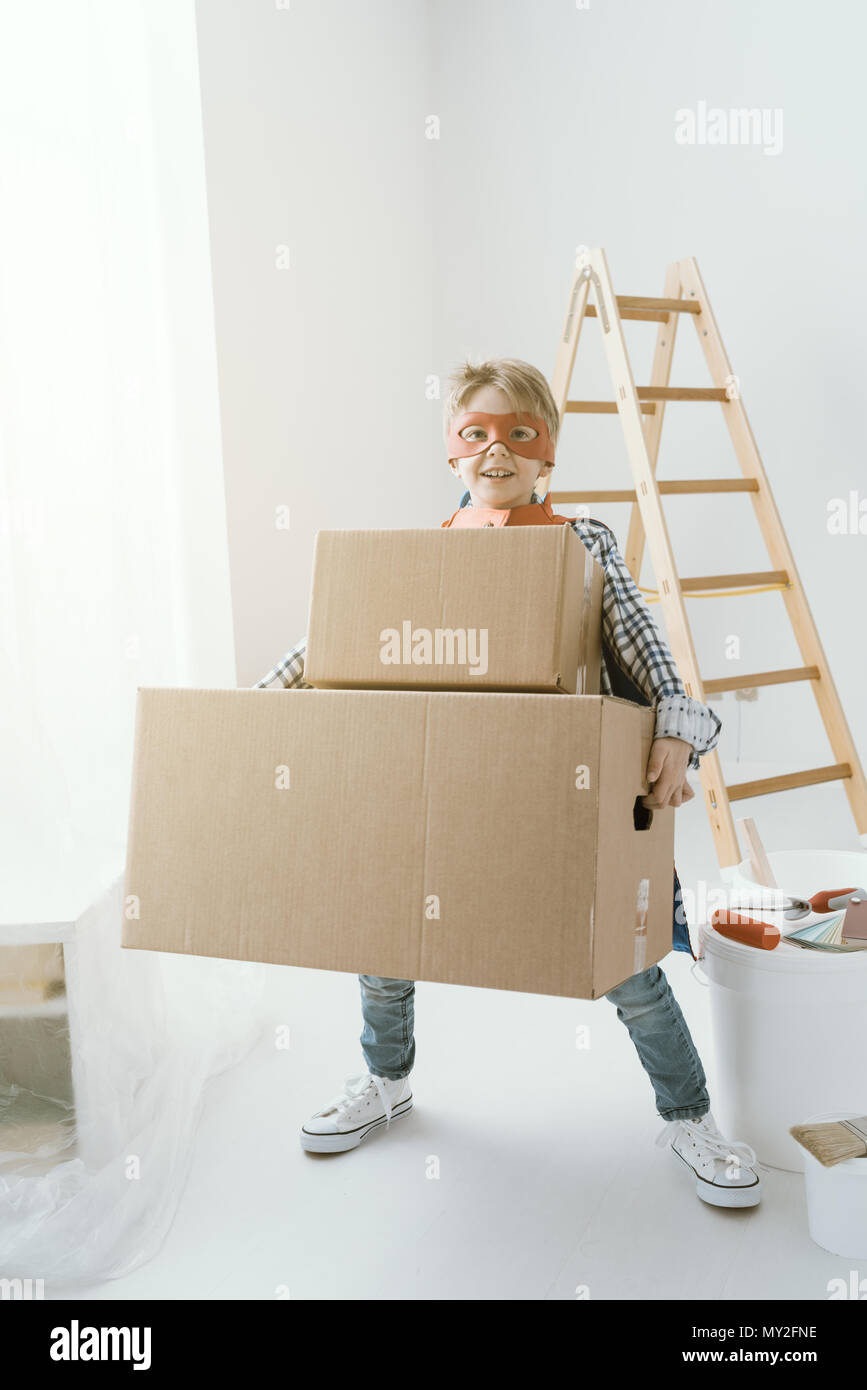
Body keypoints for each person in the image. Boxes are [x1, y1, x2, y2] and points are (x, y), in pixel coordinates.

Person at [255, 357, 761, 1209]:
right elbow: (344, 641)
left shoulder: (582, 545)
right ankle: (387, 1082)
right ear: (451, 455)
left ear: (546, 455)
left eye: (517, 434)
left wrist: (675, 725)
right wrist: (255, 711)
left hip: (555, 794)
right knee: (383, 941)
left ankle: (687, 1117)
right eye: (476, 434)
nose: (496, 451)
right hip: (438, 788)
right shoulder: (424, 554)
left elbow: (648, 653)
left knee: (624, 968)